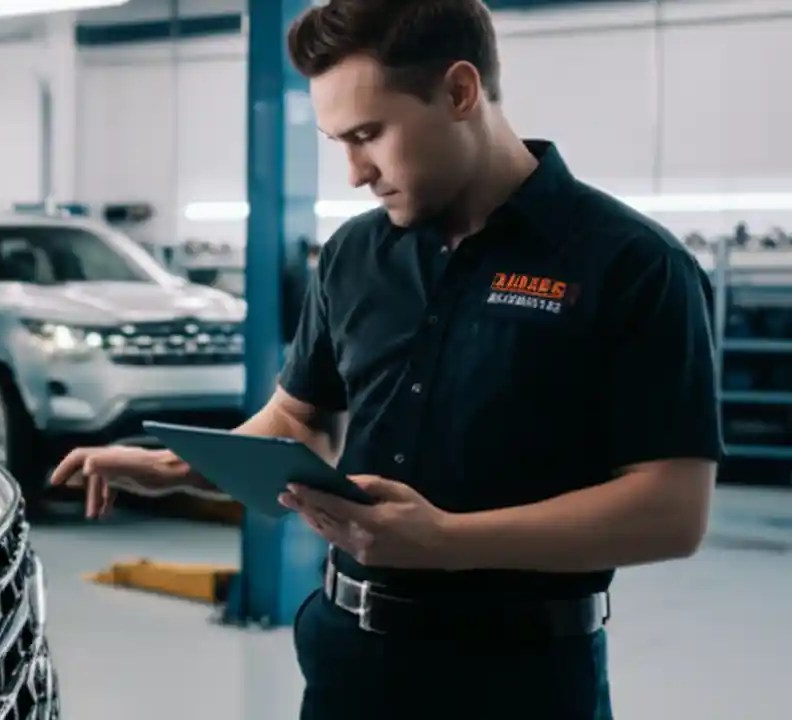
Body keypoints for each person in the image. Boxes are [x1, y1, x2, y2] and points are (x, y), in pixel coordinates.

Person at [49, 0, 721, 717]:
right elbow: (301, 421)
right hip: (348, 660)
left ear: (459, 92)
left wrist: (448, 542)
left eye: (369, 135)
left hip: (521, 680)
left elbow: (671, 510)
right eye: (339, 142)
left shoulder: (633, 265)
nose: (354, 173)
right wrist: (180, 466)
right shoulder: (352, 255)